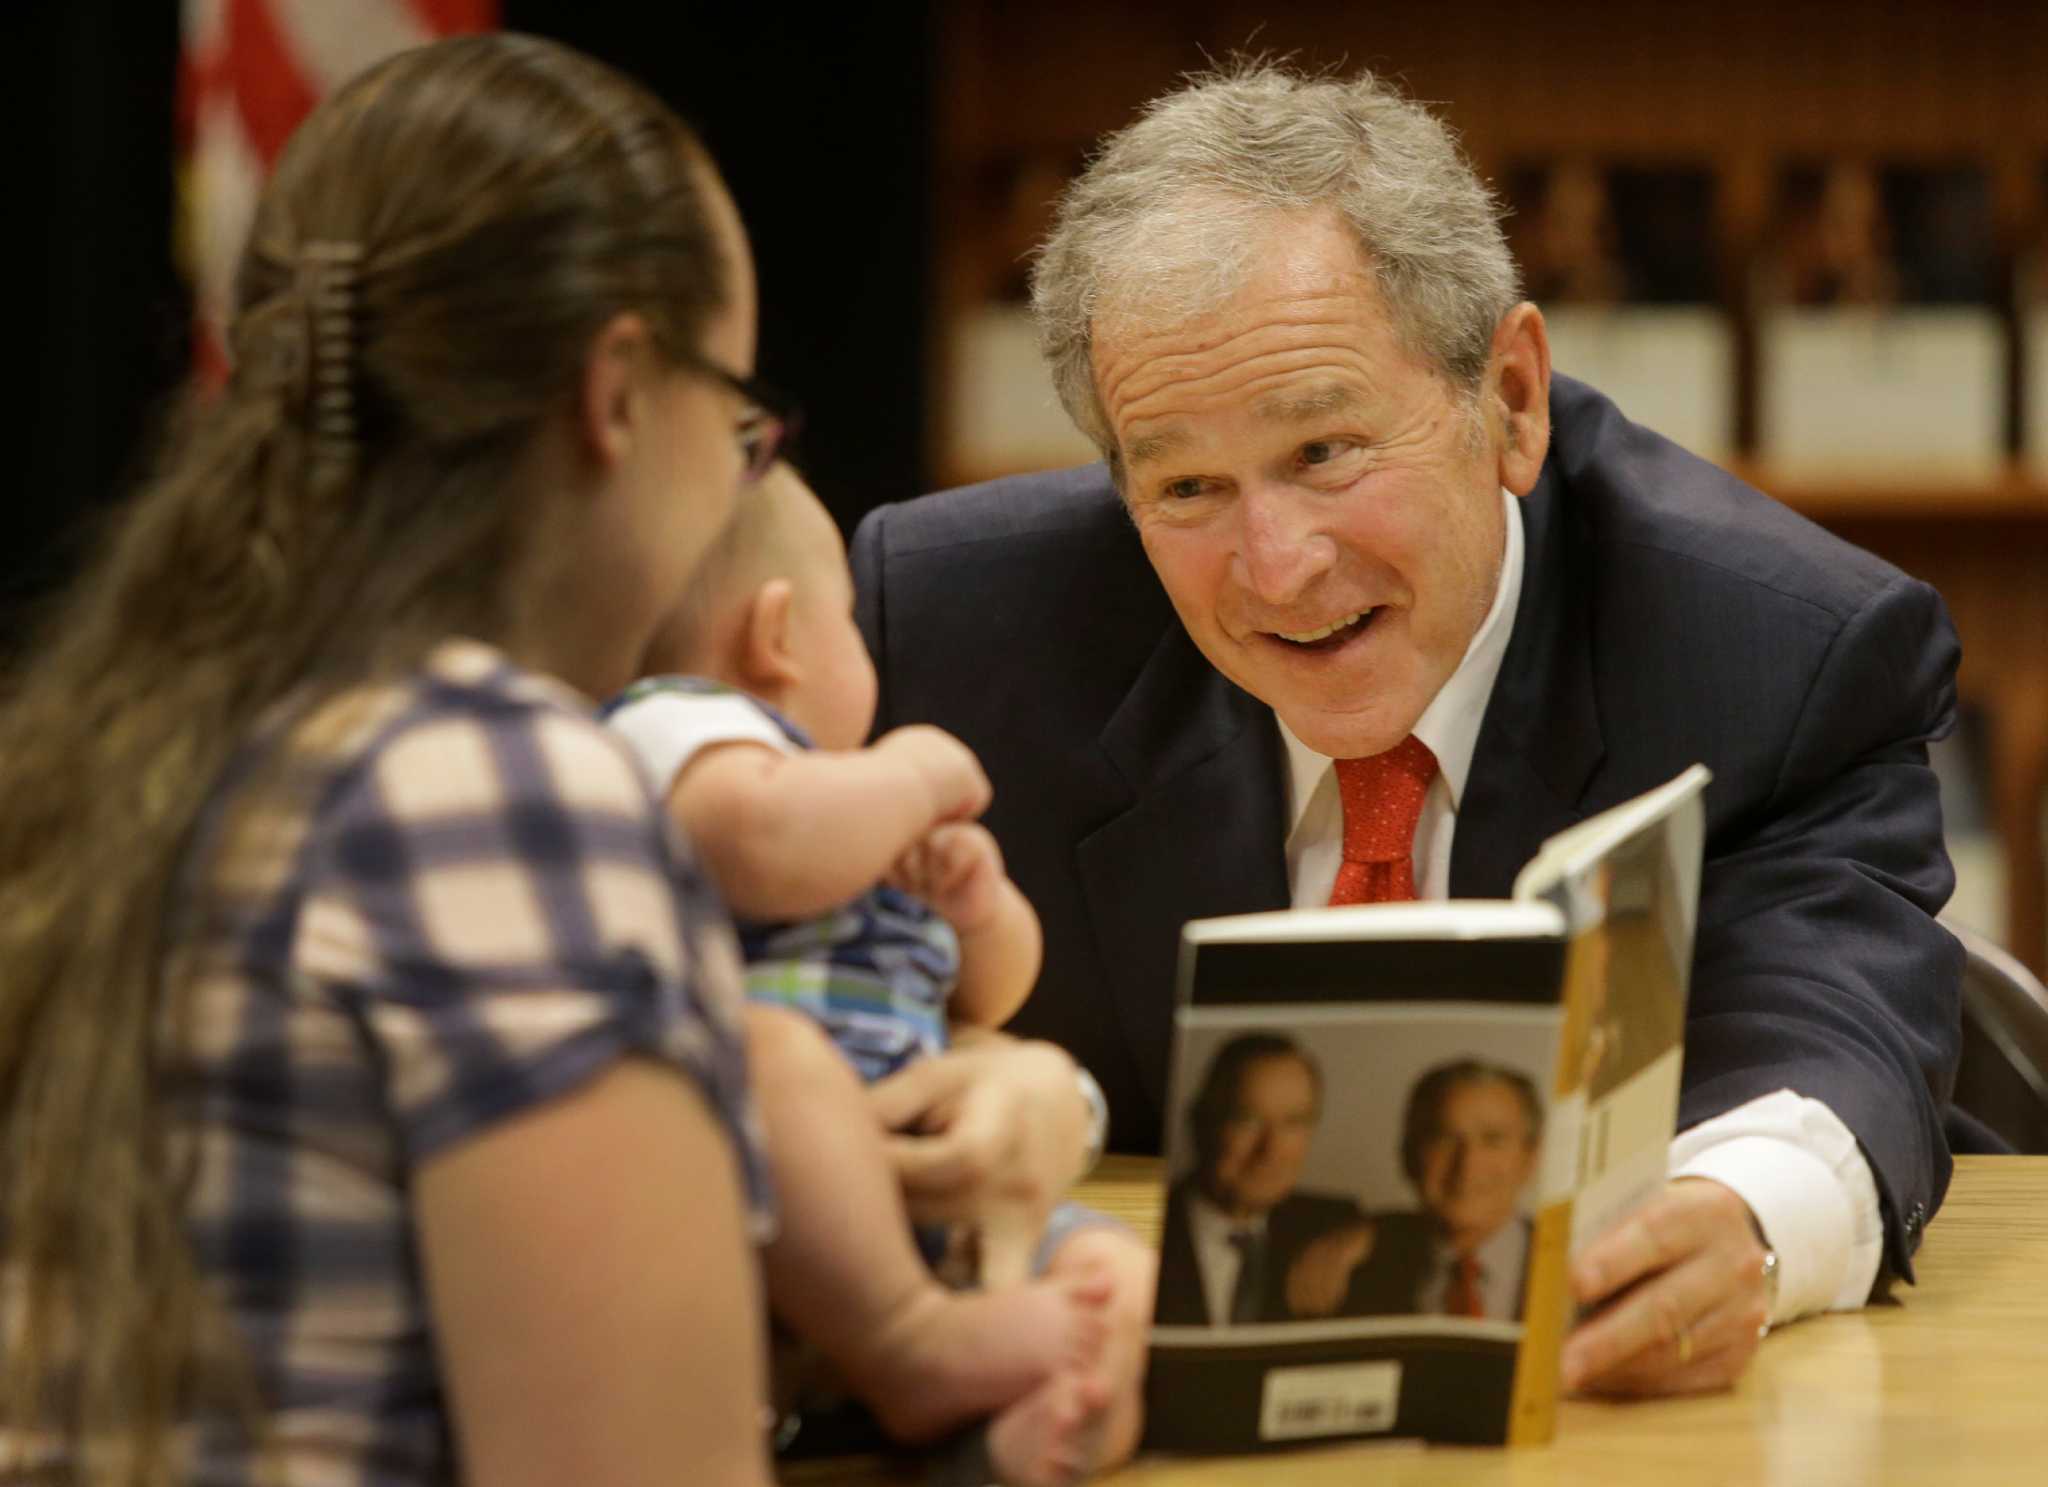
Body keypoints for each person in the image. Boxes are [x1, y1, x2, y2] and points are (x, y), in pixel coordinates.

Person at [0, 35, 1106, 1487]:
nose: (739, 474)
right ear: (622, 391)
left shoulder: (120, 749)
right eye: (740, 422)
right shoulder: (496, 787)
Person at [852, 63, 1964, 1399]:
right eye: (1187, 483)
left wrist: (1743, 1217)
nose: (1274, 568)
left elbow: (1835, 1020)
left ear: (1511, 395)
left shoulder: (1780, 650)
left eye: (1325, 451)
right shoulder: (952, 631)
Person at [604, 462, 1142, 1480]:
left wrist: (974, 907)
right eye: (846, 619)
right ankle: (906, 1339)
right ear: (774, 635)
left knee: (1114, 1272)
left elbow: (992, 996)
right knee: (780, 1060)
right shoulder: (670, 728)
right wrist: (908, 774)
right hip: (764, 1173)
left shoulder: (837, 810)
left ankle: (1023, 1435)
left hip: (919, 1163)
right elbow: (762, 842)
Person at [1155, 1034, 1375, 1326]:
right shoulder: (1136, 1232)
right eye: (1247, 1119)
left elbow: (1420, 1229)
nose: (1270, 1151)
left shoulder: (1331, 1226)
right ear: (1199, 1125)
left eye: (1293, 1123)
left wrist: (1362, 1237)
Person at [1343, 1062, 1545, 1323]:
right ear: (1409, 1155)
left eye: (1493, 1140)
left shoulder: (1572, 1263)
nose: (1467, 1164)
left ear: (1530, 1158)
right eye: (1444, 1138)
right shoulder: (1353, 1270)